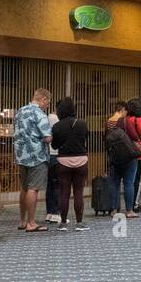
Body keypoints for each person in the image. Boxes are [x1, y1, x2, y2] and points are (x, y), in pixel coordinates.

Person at [14, 88, 53, 233]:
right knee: (33, 188)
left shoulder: (20, 111)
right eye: (47, 103)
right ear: (43, 99)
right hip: (37, 156)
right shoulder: (39, 114)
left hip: (21, 155)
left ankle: (23, 221)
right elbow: (47, 137)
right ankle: (31, 223)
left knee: (24, 188)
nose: (46, 106)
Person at [48, 96, 90, 231]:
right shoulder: (82, 123)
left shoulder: (57, 126)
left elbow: (54, 146)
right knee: (78, 192)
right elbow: (86, 138)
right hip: (81, 161)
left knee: (64, 193)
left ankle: (63, 223)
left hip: (63, 162)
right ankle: (79, 223)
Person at [105, 101, 140, 219]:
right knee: (129, 183)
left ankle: (114, 209)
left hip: (114, 156)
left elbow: (106, 139)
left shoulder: (109, 121)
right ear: (123, 110)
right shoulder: (125, 121)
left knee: (114, 183)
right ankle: (129, 210)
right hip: (128, 156)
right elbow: (135, 137)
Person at [124, 98, 141, 213]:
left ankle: (129, 203)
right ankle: (135, 203)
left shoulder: (125, 119)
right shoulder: (137, 120)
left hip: (127, 151)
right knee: (137, 180)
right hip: (138, 152)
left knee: (128, 179)